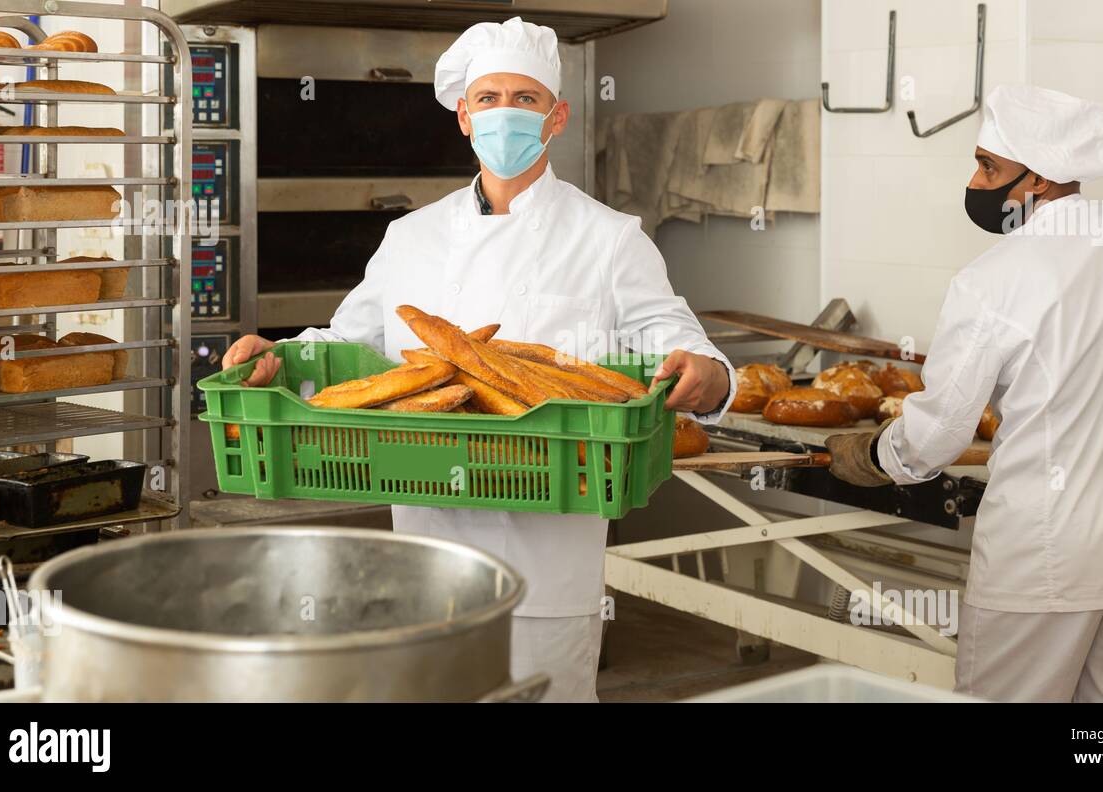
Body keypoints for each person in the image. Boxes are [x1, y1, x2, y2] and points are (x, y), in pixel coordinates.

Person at [221, 16, 735, 702]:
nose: (505, 115)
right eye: (488, 99)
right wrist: (279, 356)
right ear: (464, 117)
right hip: (425, 550)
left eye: (524, 100)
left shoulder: (608, 239)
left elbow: (679, 343)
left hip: (546, 566)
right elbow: (351, 345)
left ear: (557, 118)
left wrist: (707, 375)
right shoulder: (410, 236)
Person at [825, 84, 1103, 702]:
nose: (976, 183)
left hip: (1046, 556)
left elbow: (939, 435)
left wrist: (876, 457)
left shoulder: (992, 280)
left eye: (988, 166)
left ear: (1042, 180)